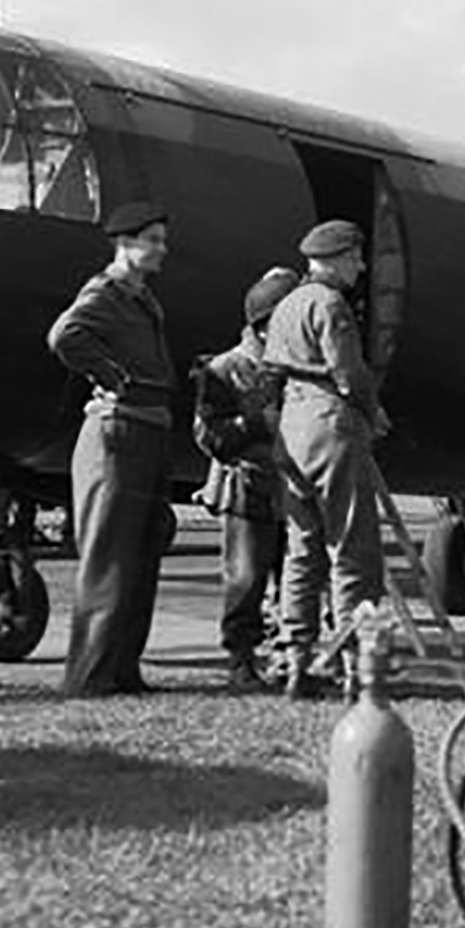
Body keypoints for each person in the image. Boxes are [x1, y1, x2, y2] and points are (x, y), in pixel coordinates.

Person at [47, 200, 178, 696]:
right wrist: (111, 376)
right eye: (153, 241)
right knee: (108, 556)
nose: (162, 250)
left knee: (142, 553)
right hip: (117, 432)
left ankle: (123, 669)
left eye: (162, 240)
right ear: (124, 244)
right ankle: (89, 675)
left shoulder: (140, 298)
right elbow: (64, 336)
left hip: (147, 429)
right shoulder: (104, 292)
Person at [263, 218, 392, 699]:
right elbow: (349, 373)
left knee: (303, 550)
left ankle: (295, 657)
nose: (361, 266)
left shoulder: (286, 304)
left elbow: (269, 371)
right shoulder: (330, 303)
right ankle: (357, 662)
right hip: (329, 426)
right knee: (353, 547)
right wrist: (374, 412)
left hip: (291, 431)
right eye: (356, 257)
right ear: (337, 257)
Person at [191, 266, 298, 691]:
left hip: (289, 488)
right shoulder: (225, 369)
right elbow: (209, 435)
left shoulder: (291, 367)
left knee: (292, 578)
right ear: (267, 323)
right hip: (246, 489)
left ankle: (287, 654)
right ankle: (240, 658)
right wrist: (257, 422)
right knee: (245, 579)